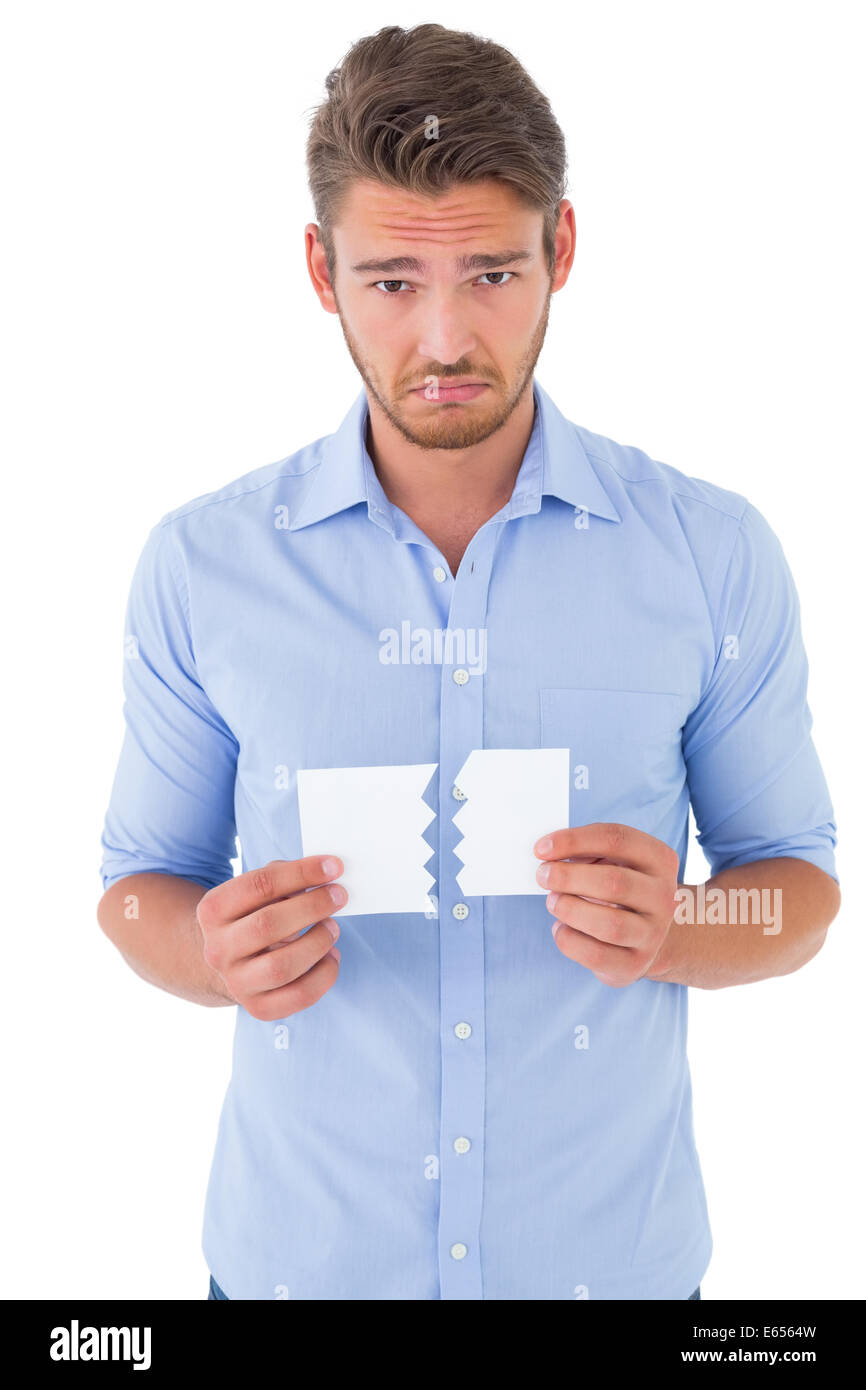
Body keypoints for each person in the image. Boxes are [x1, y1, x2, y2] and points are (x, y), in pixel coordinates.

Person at [97, 23, 840, 1301]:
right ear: (320, 273)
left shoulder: (708, 555)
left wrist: (685, 922)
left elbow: (798, 893)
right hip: (295, 1277)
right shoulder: (201, 567)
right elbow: (133, 892)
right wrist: (208, 955)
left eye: (490, 273)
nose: (444, 341)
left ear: (561, 250)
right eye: (391, 281)